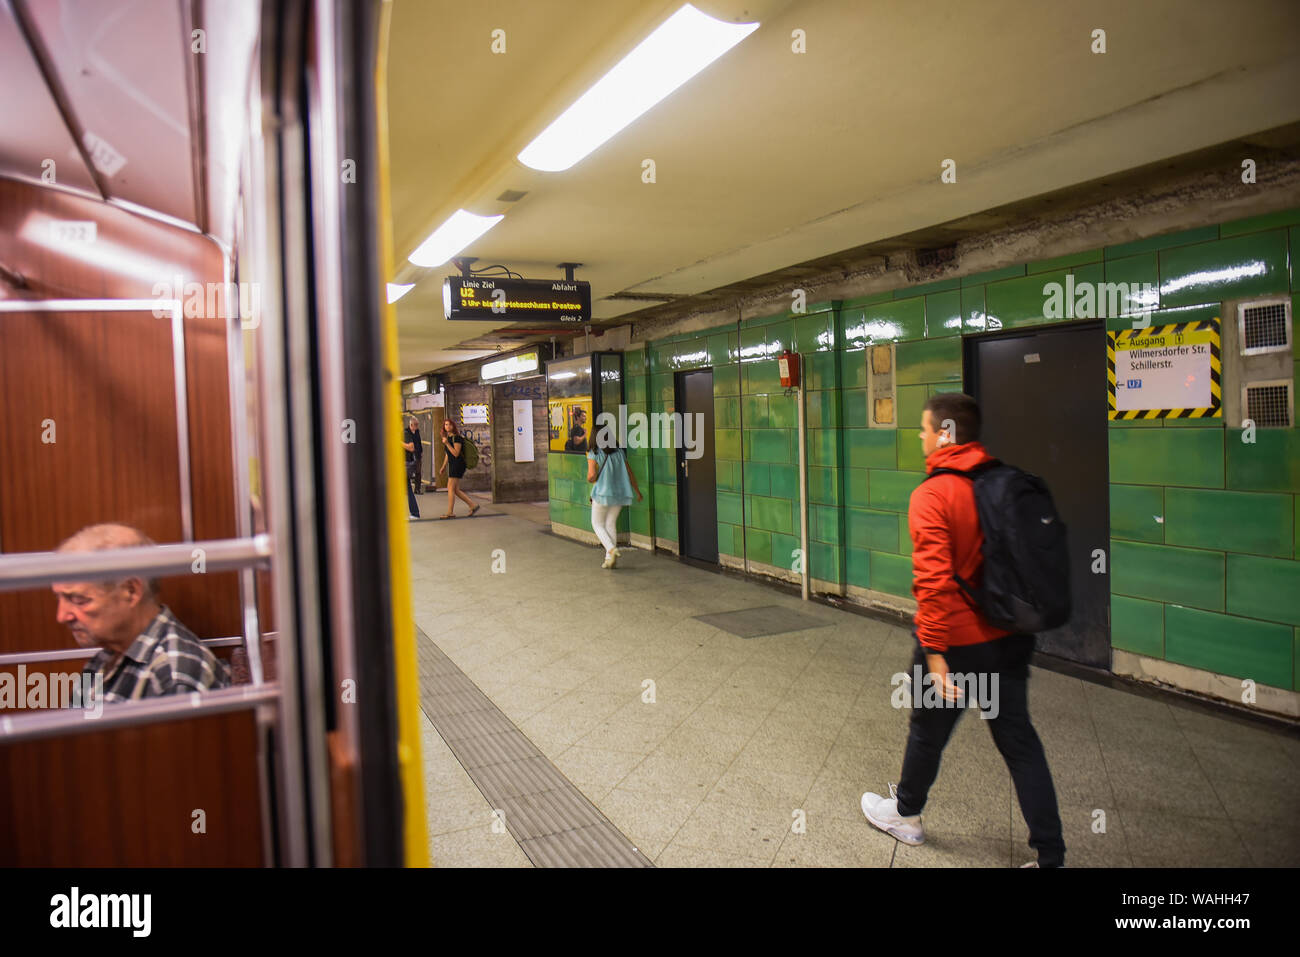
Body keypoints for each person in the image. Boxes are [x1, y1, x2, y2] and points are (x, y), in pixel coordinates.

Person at [860, 393, 1065, 868]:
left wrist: (934, 653)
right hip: (1009, 640)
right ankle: (1050, 858)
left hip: (956, 644)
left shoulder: (933, 494)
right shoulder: (1005, 482)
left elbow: (932, 583)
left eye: (925, 428)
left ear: (946, 433)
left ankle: (906, 816)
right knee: (1019, 743)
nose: (920, 435)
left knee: (928, 732)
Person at [51, 523, 231, 702]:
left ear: (130, 591)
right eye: (59, 598)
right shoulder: (105, 658)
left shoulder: (173, 678)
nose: (62, 616)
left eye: (79, 600)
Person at [586, 426, 641, 568]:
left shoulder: (594, 453)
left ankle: (611, 549)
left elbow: (591, 476)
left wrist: (591, 478)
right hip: (620, 494)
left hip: (603, 493)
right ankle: (609, 559)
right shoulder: (619, 452)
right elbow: (630, 473)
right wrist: (637, 491)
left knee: (597, 524)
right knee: (610, 523)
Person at [437, 419, 479, 519]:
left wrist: (447, 443)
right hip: (452, 465)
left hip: (458, 465)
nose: (447, 426)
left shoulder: (457, 438)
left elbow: (456, 453)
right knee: (455, 490)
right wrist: (443, 466)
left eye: (449, 425)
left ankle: (450, 512)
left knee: (450, 488)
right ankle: (473, 505)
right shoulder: (448, 438)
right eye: (446, 425)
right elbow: (448, 454)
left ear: (453, 426)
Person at [401, 418, 420, 520]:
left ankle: (415, 513)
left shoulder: (404, 433)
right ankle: (414, 512)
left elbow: (411, 447)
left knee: (407, 489)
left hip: (403, 465)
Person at [403, 416, 424, 496]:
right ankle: (406, 490)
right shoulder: (406, 432)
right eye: (415, 424)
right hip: (409, 456)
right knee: (407, 473)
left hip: (417, 454)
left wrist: (421, 451)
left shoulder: (417, 431)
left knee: (418, 472)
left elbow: (419, 441)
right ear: (411, 425)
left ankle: (417, 489)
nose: (417, 426)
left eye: (417, 424)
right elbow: (409, 446)